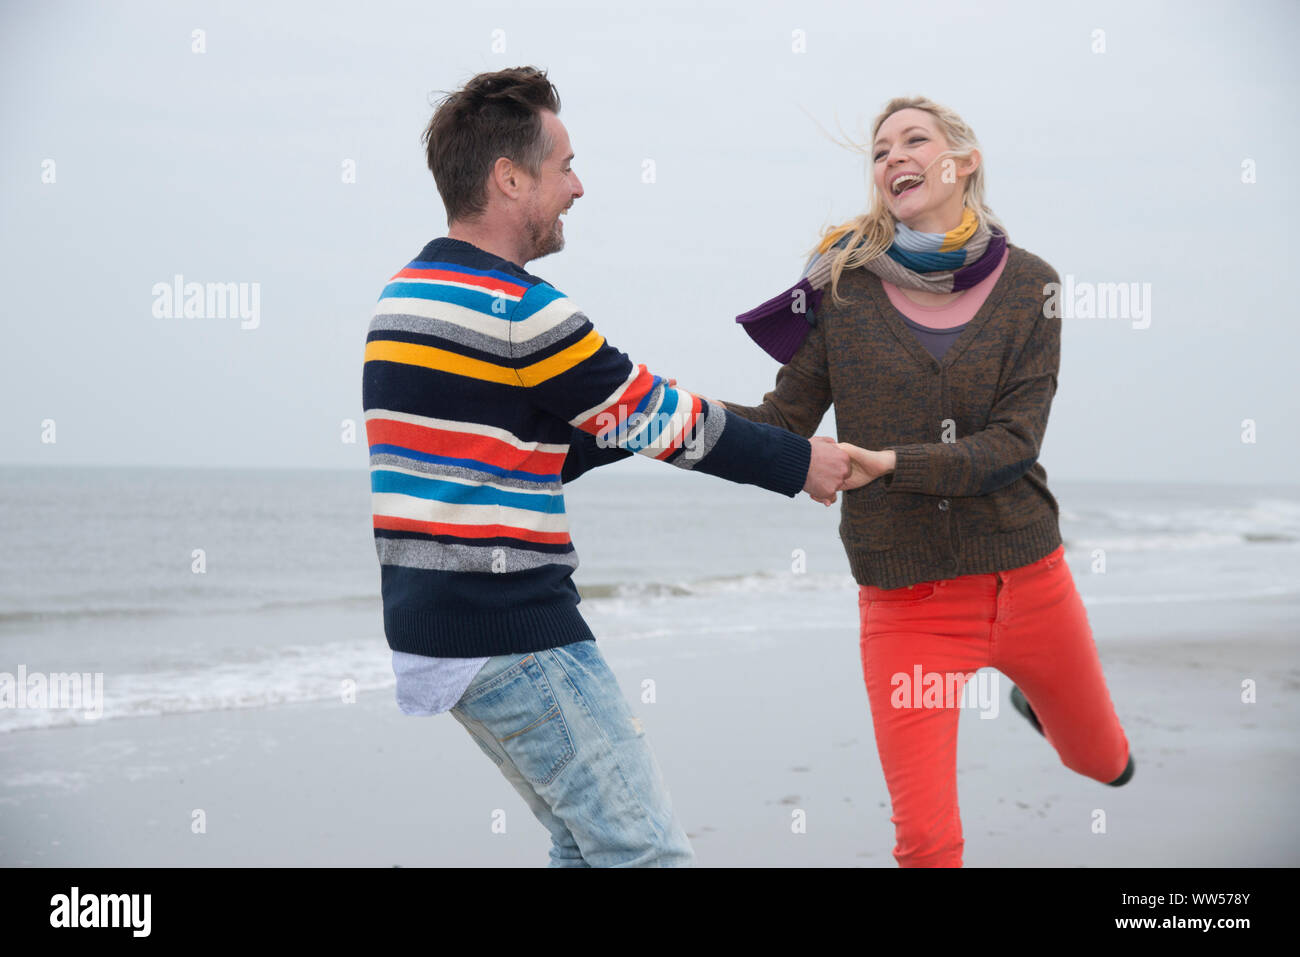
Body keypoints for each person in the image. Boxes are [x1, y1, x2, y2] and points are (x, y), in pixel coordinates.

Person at [360, 66, 858, 867]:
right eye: (564, 167)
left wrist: (649, 418)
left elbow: (538, 449)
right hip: (511, 630)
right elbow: (661, 422)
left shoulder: (405, 299)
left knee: (584, 846)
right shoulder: (520, 309)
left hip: (437, 630)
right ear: (509, 177)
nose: (579, 186)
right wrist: (802, 462)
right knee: (645, 852)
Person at [719, 96, 1134, 868]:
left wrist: (893, 463)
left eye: (915, 140)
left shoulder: (1031, 286)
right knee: (927, 842)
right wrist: (662, 411)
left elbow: (1013, 443)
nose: (893, 158)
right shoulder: (843, 288)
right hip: (908, 605)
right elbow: (784, 420)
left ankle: (1043, 708)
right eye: (880, 152)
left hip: (1028, 583)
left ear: (964, 162)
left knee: (1102, 759)